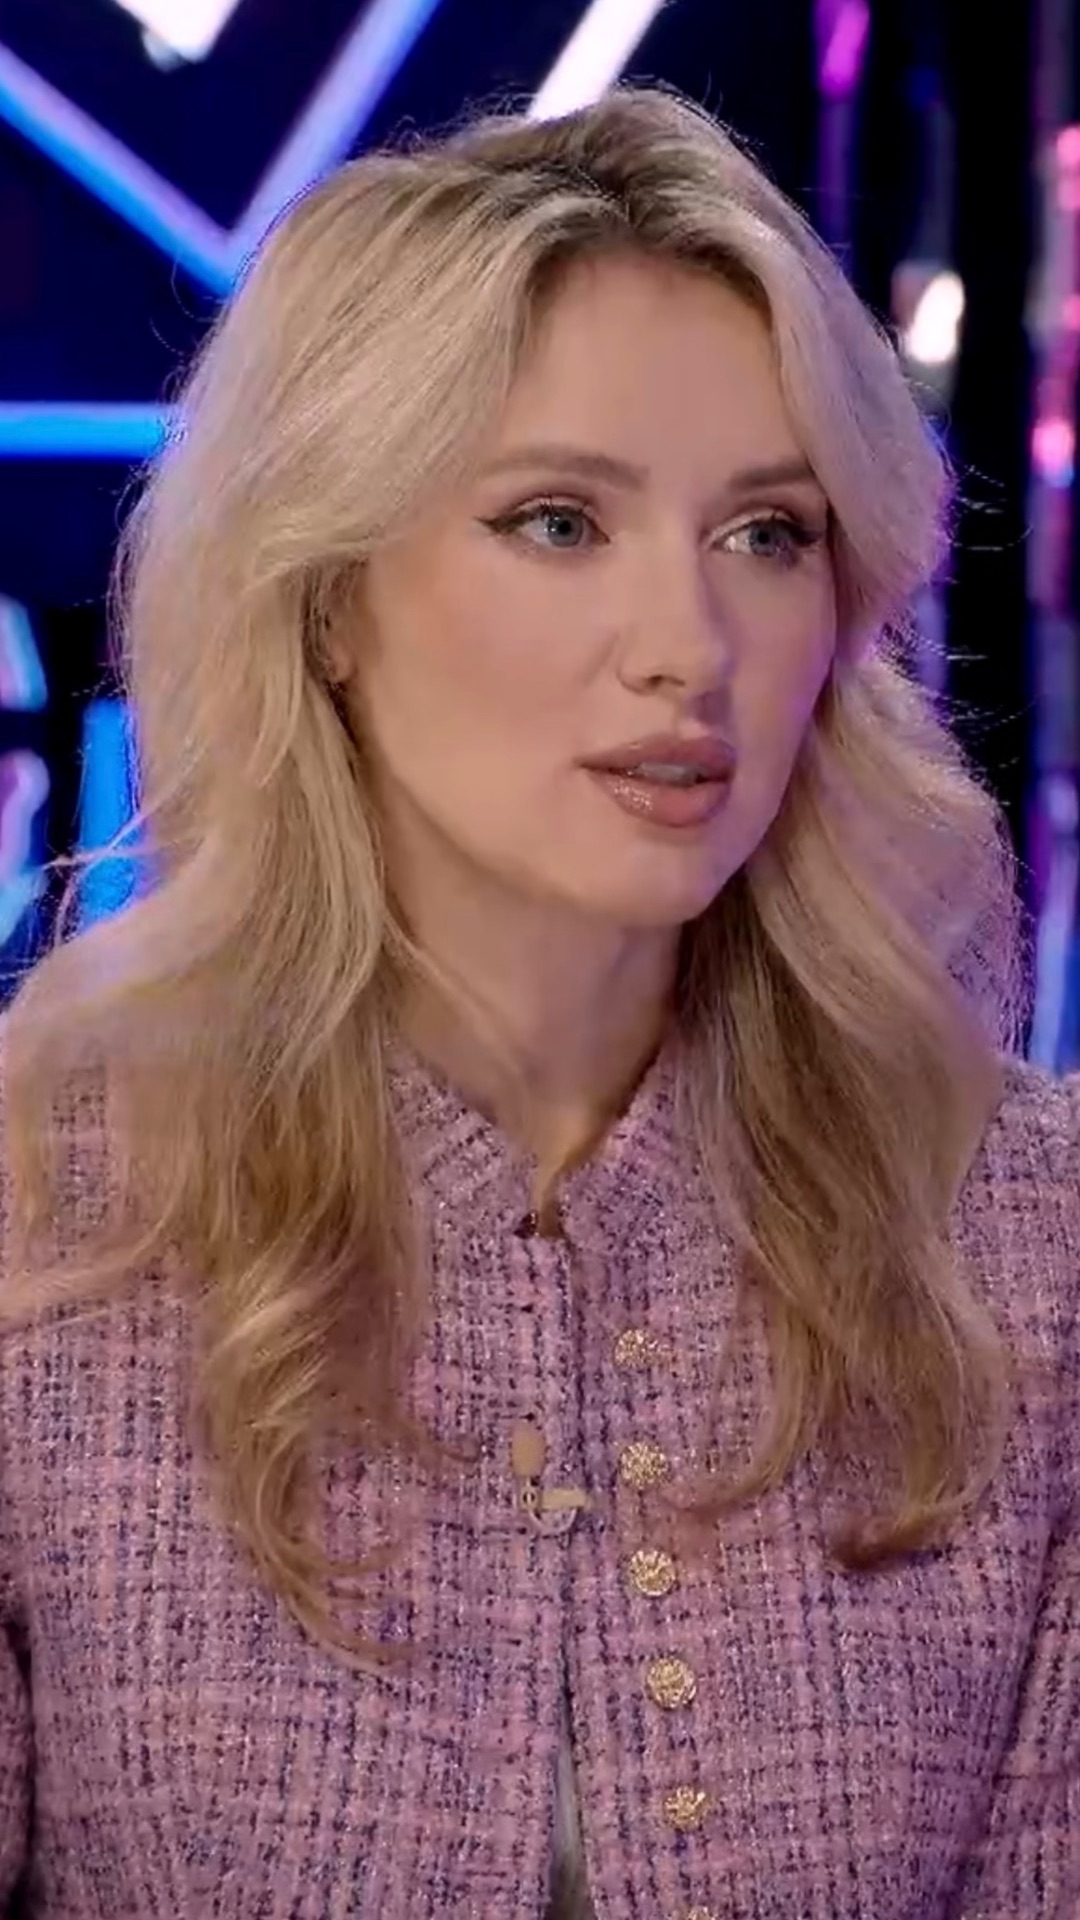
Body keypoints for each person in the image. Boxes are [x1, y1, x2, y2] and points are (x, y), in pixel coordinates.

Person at [0, 83, 1076, 1920]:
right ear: (328, 602)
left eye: (769, 534)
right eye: (561, 522)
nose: (687, 648)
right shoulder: (42, 1214)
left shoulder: (1029, 1241)